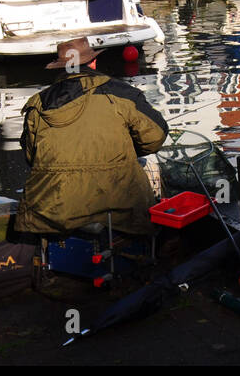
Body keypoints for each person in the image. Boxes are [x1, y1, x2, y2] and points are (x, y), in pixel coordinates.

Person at [14, 37, 167, 236]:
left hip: (49, 212)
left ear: (61, 67)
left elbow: (31, 157)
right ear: (93, 62)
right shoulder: (121, 94)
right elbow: (156, 137)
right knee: (150, 168)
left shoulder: (38, 104)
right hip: (119, 209)